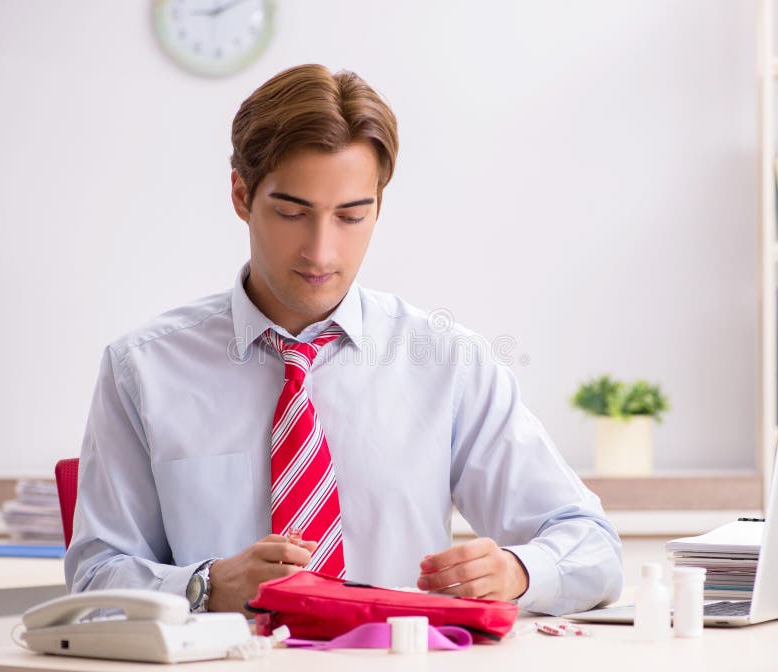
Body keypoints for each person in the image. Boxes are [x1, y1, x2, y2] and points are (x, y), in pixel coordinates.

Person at [65, 63, 623, 616]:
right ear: (241, 195)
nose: (321, 252)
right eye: (291, 212)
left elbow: (593, 547)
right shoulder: (142, 369)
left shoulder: (449, 365)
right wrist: (206, 586)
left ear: (379, 206)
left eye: (351, 217)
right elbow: (95, 577)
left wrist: (518, 572)